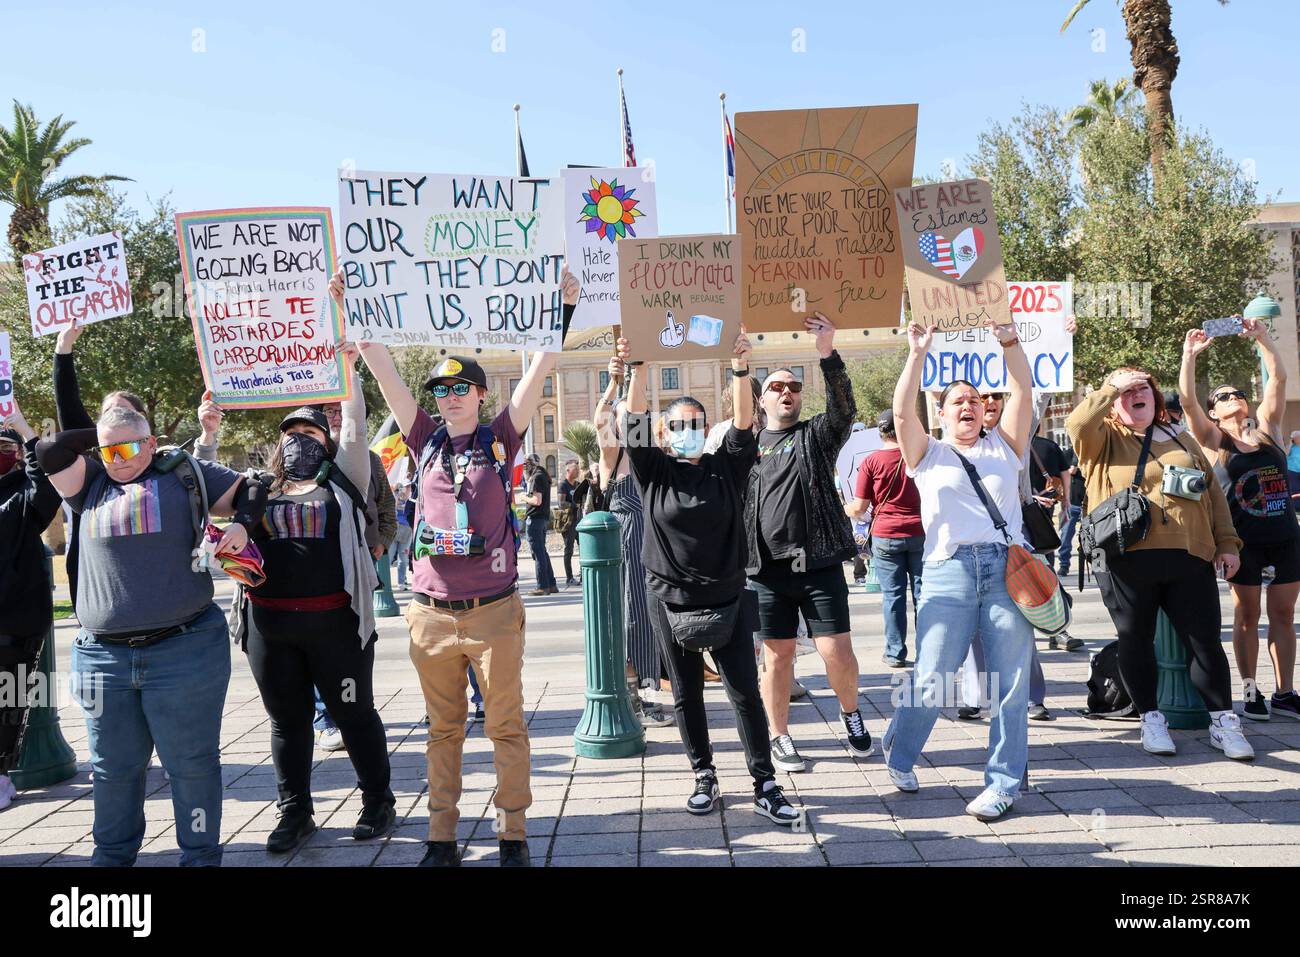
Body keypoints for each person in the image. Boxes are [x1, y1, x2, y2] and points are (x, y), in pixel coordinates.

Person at [344, 267, 579, 867]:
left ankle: (513, 834)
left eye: (460, 389)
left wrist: (563, 307)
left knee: (506, 727)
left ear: (479, 394)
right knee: (442, 731)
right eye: (441, 392)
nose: (448, 398)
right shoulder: (422, 439)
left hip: (494, 612)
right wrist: (355, 311)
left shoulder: (502, 437)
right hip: (430, 615)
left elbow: (540, 367)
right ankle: (441, 837)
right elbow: (384, 371)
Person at [37, 404, 257, 865]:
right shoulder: (87, 482)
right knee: (112, 769)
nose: (117, 458)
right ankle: (112, 859)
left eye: (130, 446)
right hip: (103, 658)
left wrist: (242, 523)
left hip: (185, 650)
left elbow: (254, 491)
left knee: (192, 767)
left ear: (152, 443)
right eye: (108, 448)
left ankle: (200, 857)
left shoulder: (182, 472)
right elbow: (51, 448)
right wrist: (107, 431)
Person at [616, 330, 801, 826]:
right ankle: (704, 775)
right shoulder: (652, 471)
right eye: (677, 425)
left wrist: (740, 367)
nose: (687, 431)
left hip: (729, 597)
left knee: (744, 692)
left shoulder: (727, 467)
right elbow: (632, 421)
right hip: (668, 599)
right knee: (685, 693)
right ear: (665, 432)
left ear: (705, 427)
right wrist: (638, 369)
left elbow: (743, 423)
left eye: (695, 423)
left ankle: (765, 782)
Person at [229, 373, 397, 854]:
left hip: (337, 627)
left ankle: (377, 802)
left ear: (328, 442)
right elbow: (202, 490)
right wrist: (210, 432)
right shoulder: (258, 488)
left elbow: (358, 428)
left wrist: (350, 374)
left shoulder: (347, 478)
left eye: (310, 433)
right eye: (291, 435)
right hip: (270, 627)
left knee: (353, 713)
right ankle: (295, 811)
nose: (299, 441)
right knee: (287, 722)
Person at [882, 319, 1036, 822]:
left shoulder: (1005, 445)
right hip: (948, 572)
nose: (968, 405)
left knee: (1009, 683)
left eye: (974, 400)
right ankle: (900, 750)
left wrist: (1008, 340)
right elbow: (902, 410)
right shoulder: (928, 454)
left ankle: (1003, 783)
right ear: (943, 415)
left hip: (1006, 570)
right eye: (957, 401)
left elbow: (1022, 387)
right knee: (931, 679)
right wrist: (917, 354)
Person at [1069, 364, 1252, 759]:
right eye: (1124, 391)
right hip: (1126, 559)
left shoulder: (1180, 437)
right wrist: (1109, 387)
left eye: (1143, 388)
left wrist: (1228, 543)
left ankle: (1223, 721)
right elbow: (1078, 422)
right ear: (1112, 402)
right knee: (1135, 639)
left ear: (1155, 396)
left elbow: (1213, 498)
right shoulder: (1102, 440)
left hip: (1189, 555)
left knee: (1204, 641)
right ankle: (1151, 720)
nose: (1135, 394)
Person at [743, 314, 871, 773]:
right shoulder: (747, 446)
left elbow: (844, 410)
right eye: (777, 387)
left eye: (793, 387)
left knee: (836, 650)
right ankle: (779, 736)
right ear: (761, 400)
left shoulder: (816, 436)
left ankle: (851, 714)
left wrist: (827, 352)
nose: (786, 392)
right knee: (776, 659)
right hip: (766, 571)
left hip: (817, 565)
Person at [1180, 320, 1300, 721]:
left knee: (1283, 615)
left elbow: (1279, 379)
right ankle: (1250, 691)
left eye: (1238, 393)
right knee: (1248, 616)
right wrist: (1190, 356)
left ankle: (1285, 692)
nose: (1234, 397)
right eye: (1223, 396)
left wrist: (1263, 339)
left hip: (1285, 537)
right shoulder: (1215, 441)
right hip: (1242, 542)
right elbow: (1187, 403)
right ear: (1214, 412)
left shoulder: (1269, 430)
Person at [595, 357, 672, 728]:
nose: (631, 420)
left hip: (654, 542)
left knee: (653, 617)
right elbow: (601, 418)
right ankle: (637, 693)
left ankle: (649, 690)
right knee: (632, 616)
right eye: (625, 417)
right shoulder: (613, 454)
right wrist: (616, 382)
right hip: (626, 541)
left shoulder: (648, 455)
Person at [0, 400, 62, 810]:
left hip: (15, 625)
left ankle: (3, 774)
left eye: (6, 449)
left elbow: (47, 487)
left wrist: (24, 429)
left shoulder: (26, 492)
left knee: (10, 705)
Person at [847, 409, 922, 669]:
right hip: (920, 533)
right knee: (924, 596)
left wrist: (843, 507)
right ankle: (928, 652)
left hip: (886, 534)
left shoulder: (871, 462)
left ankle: (894, 652)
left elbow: (858, 507)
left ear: (879, 433)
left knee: (893, 596)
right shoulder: (918, 457)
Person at [522, 454, 557, 596]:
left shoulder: (536, 477)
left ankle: (542, 586)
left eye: (525, 466)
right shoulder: (543, 475)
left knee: (538, 553)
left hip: (535, 519)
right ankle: (551, 584)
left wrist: (523, 497)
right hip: (542, 519)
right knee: (542, 552)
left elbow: (536, 501)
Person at [1057, 450, 1085, 578]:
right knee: (1066, 535)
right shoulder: (1068, 454)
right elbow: (1061, 473)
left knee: (1098, 537)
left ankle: (1098, 566)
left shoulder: (1094, 452)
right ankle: (1064, 565)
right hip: (1072, 503)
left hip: (1091, 503)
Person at [557, 459, 583, 587]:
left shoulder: (578, 484)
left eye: (578, 469)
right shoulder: (563, 485)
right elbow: (561, 504)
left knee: (583, 548)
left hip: (579, 521)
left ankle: (583, 573)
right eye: (575, 469)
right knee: (569, 550)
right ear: (568, 470)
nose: (578, 471)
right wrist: (575, 505)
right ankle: (569, 577)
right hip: (568, 522)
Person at [391, 482, 414, 589]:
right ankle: (384, 583)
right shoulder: (393, 497)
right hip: (394, 530)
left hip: (406, 531)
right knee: (388, 558)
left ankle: (401, 583)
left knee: (403, 558)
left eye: (408, 486)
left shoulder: (412, 499)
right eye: (405, 486)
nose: (405, 489)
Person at [1288, 431, 1300, 503]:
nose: (1295, 439)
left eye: (1296, 437)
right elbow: (1285, 453)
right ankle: (1295, 506)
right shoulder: (1291, 446)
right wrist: (1290, 443)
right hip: (1292, 470)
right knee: (1294, 488)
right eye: (1294, 438)